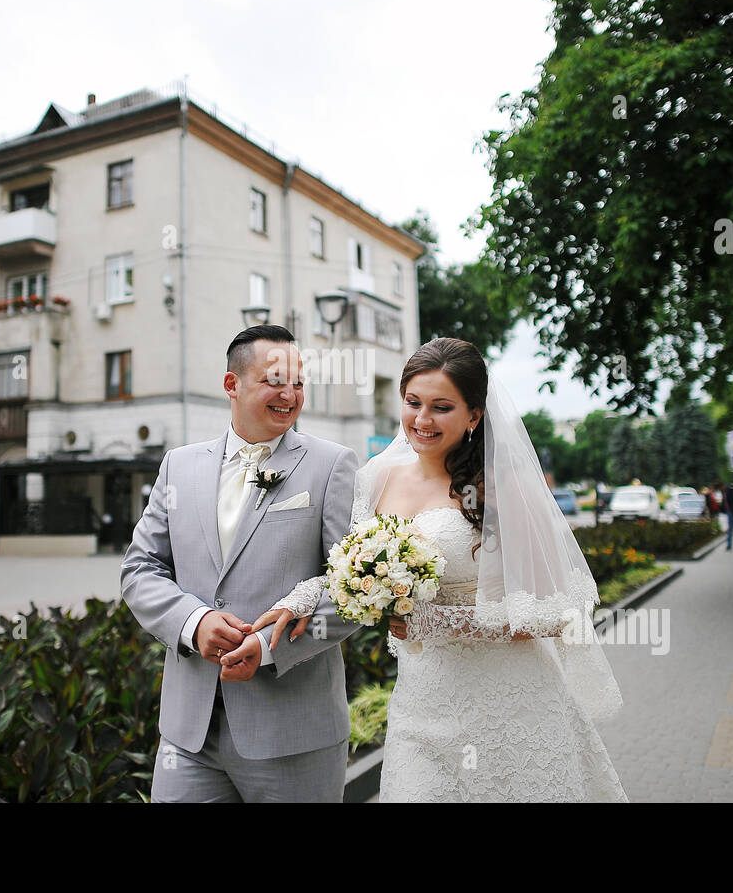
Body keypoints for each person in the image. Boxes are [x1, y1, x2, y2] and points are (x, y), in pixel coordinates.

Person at [258, 337, 628, 801]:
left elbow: (555, 611)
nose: (422, 420)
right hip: (423, 704)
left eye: (441, 407)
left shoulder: (502, 489)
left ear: (474, 415)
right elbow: (355, 563)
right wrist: (304, 598)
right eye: (413, 403)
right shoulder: (377, 476)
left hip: (510, 705)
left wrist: (444, 621)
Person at [119, 325, 360, 802]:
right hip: (190, 735)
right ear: (233, 385)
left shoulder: (332, 464)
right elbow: (139, 568)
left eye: (299, 381)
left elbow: (354, 589)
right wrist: (194, 621)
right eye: (275, 380)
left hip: (293, 736)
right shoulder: (178, 466)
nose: (290, 394)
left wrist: (270, 648)